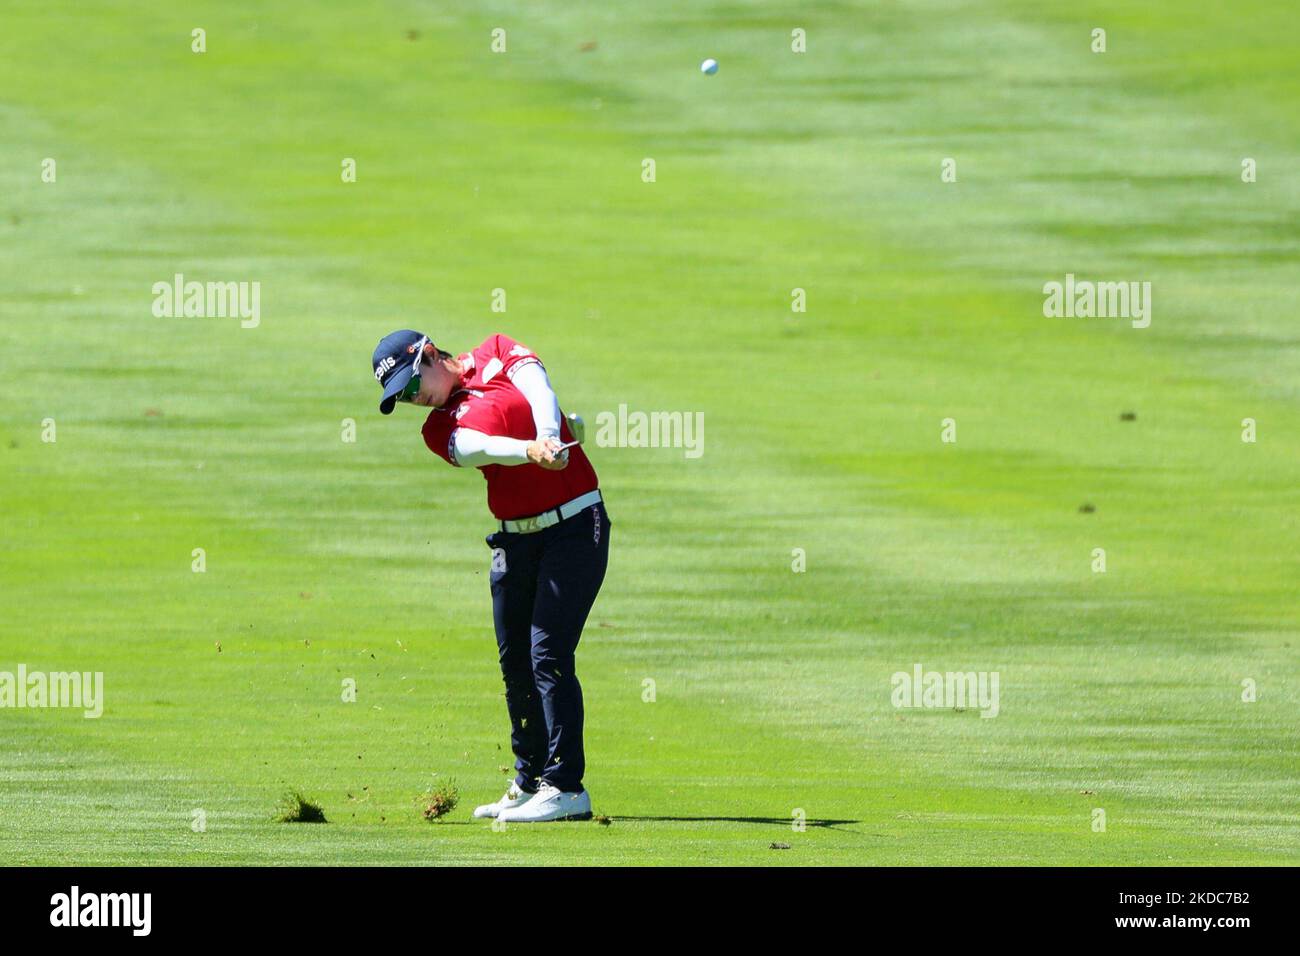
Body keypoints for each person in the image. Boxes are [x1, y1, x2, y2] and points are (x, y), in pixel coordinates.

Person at [372, 330, 609, 822]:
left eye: (414, 384)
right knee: (515, 661)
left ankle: (566, 788)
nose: (417, 399)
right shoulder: (438, 429)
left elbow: (541, 389)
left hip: (574, 527)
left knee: (549, 652)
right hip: (515, 540)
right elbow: (478, 448)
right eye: (405, 396)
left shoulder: (497, 350)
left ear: (431, 354)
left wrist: (548, 436)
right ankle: (530, 779)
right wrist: (530, 452)